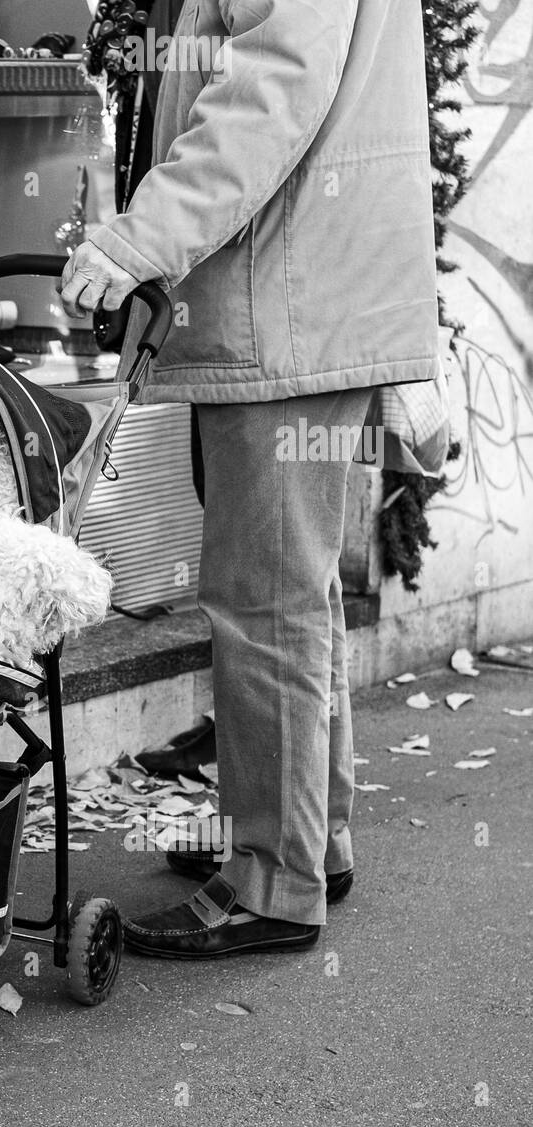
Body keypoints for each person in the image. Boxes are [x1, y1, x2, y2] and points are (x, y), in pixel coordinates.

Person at [61, 0, 438, 958]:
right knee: (292, 589)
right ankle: (313, 839)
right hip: (308, 288)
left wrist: (140, 240)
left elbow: (272, 87)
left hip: (292, 296)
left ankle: (271, 877)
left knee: (263, 595)